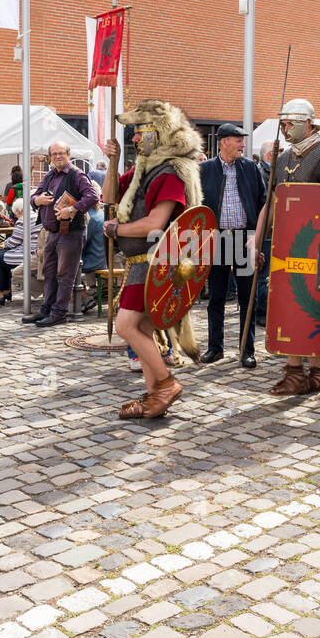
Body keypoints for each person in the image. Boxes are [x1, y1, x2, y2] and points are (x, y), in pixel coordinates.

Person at [104, 99, 202, 418]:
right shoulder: (141, 172)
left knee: (125, 325)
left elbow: (155, 224)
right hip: (140, 263)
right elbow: (108, 199)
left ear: (156, 134)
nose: (134, 138)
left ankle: (166, 383)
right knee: (143, 330)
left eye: (138, 132)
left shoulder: (169, 173)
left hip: (153, 262)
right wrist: (113, 162)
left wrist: (119, 228)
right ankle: (152, 396)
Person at [249, 98, 320, 394]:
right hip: (286, 245)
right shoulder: (285, 157)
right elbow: (273, 202)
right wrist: (256, 240)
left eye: (290, 123)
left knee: (310, 307)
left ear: (308, 124)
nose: (285, 128)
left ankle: (315, 371)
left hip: (318, 248)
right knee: (290, 306)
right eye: (283, 123)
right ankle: (299, 372)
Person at [200, 122, 265, 367]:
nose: (243, 145)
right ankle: (214, 348)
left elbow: (262, 203)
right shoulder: (204, 169)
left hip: (245, 240)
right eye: (238, 140)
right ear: (224, 141)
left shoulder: (250, 168)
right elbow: (195, 205)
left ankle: (246, 351)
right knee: (216, 297)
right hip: (217, 239)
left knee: (248, 299)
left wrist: (257, 240)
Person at [22, 141, 99, 326]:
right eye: (54, 153)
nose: (58, 156)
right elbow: (34, 196)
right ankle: (46, 310)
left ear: (68, 154)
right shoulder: (49, 175)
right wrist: (37, 200)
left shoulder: (76, 175)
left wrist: (72, 210)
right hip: (52, 232)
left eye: (61, 153)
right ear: (50, 157)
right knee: (49, 273)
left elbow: (93, 196)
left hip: (71, 232)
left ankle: (59, 313)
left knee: (65, 275)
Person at [0, 198, 38, 303]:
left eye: (16, 214)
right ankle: (5, 292)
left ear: (19, 211)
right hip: (35, 251)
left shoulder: (23, 219)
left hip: (29, 254)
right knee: (2, 257)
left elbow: (14, 241)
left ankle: (0, 294)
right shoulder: (37, 216)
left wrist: (3, 243)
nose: (16, 216)